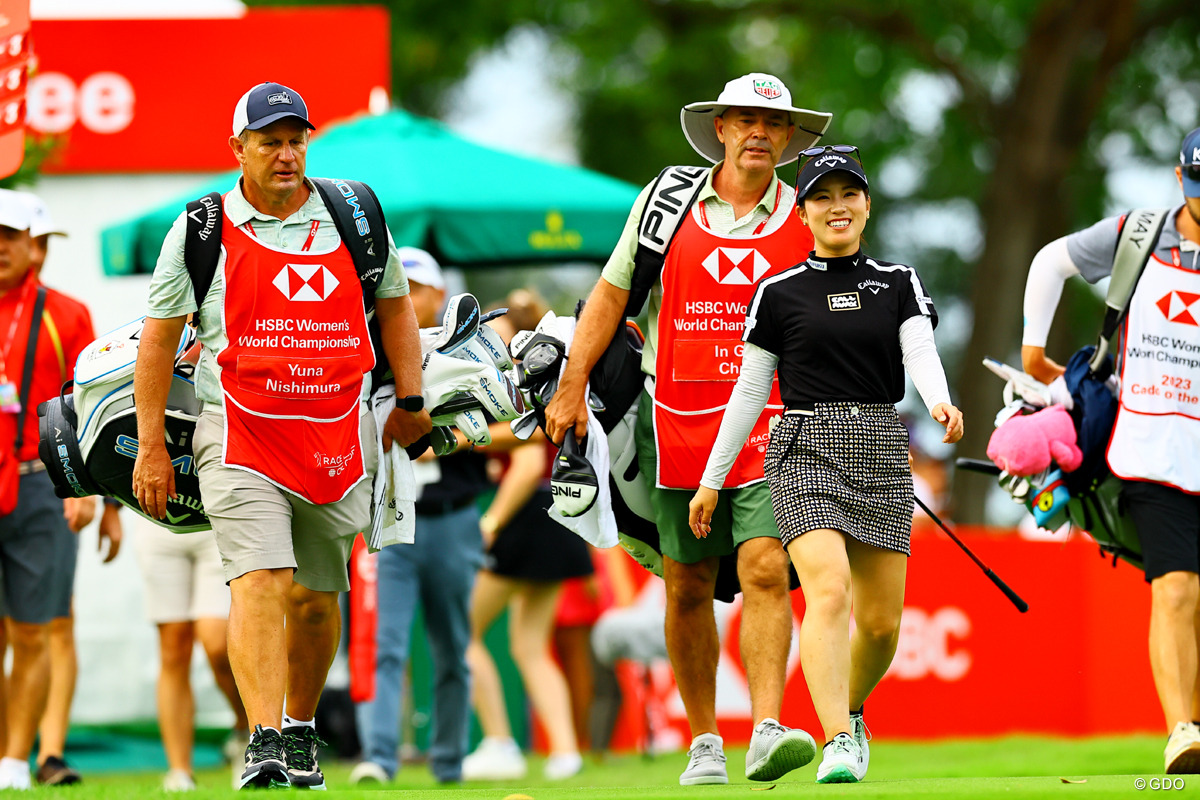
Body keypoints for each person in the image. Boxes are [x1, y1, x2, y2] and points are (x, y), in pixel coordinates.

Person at [132, 82, 431, 790]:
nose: (287, 153)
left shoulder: (356, 213)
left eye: (297, 139)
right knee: (261, 579)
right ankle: (263, 737)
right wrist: (150, 446)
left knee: (318, 599)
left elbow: (394, 309)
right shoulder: (201, 229)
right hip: (237, 434)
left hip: (336, 436)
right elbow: (158, 341)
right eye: (270, 141)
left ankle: (299, 727)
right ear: (237, 149)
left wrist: (413, 398)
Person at [545, 72, 832, 785]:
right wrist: (574, 383)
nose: (761, 132)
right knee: (686, 583)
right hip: (674, 421)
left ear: (789, 138)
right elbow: (614, 294)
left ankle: (766, 727)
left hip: (772, 421)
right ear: (723, 130)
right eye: (746, 120)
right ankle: (705, 740)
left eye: (775, 123)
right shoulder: (665, 204)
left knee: (767, 566)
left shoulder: (807, 216)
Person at [689, 146, 962, 783]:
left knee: (881, 625)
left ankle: (853, 708)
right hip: (802, 446)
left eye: (848, 194)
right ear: (804, 212)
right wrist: (711, 480)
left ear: (866, 204)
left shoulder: (898, 281)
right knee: (827, 590)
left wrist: (940, 401)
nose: (836, 207)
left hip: (881, 447)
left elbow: (918, 348)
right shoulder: (777, 292)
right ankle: (837, 737)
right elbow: (750, 391)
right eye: (821, 197)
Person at [1020, 126, 1200, 774]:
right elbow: (1050, 262)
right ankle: (1181, 732)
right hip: (1150, 445)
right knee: (1175, 588)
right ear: (1181, 179)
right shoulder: (1140, 233)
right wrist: (1031, 348)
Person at [349, 248, 488, 786]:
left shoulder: (466, 352)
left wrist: (444, 439)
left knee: (452, 647)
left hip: (452, 519)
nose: (404, 294)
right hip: (387, 521)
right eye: (397, 285)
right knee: (385, 644)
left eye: (416, 286)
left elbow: (503, 423)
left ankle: (448, 764)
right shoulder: (370, 355)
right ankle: (379, 760)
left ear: (436, 295)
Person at [461, 291, 591, 782]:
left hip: (527, 518)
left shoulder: (517, 376)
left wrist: (491, 522)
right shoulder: (545, 368)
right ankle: (563, 751)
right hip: (560, 512)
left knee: (463, 631)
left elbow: (530, 455)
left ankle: (499, 742)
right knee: (530, 644)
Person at [0, 190, 100, 790]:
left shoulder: (67, 313)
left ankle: (16, 761)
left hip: (42, 485)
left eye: (10, 236)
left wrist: (91, 493)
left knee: (38, 628)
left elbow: (88, 410)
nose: (0, 248)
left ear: (35, 246)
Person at [133, 522, 250, 791]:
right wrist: (111, 507)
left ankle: (245, 730)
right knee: (173, 649)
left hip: (214, 518)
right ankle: (179, 771)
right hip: (154, 519)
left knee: (218, 642)